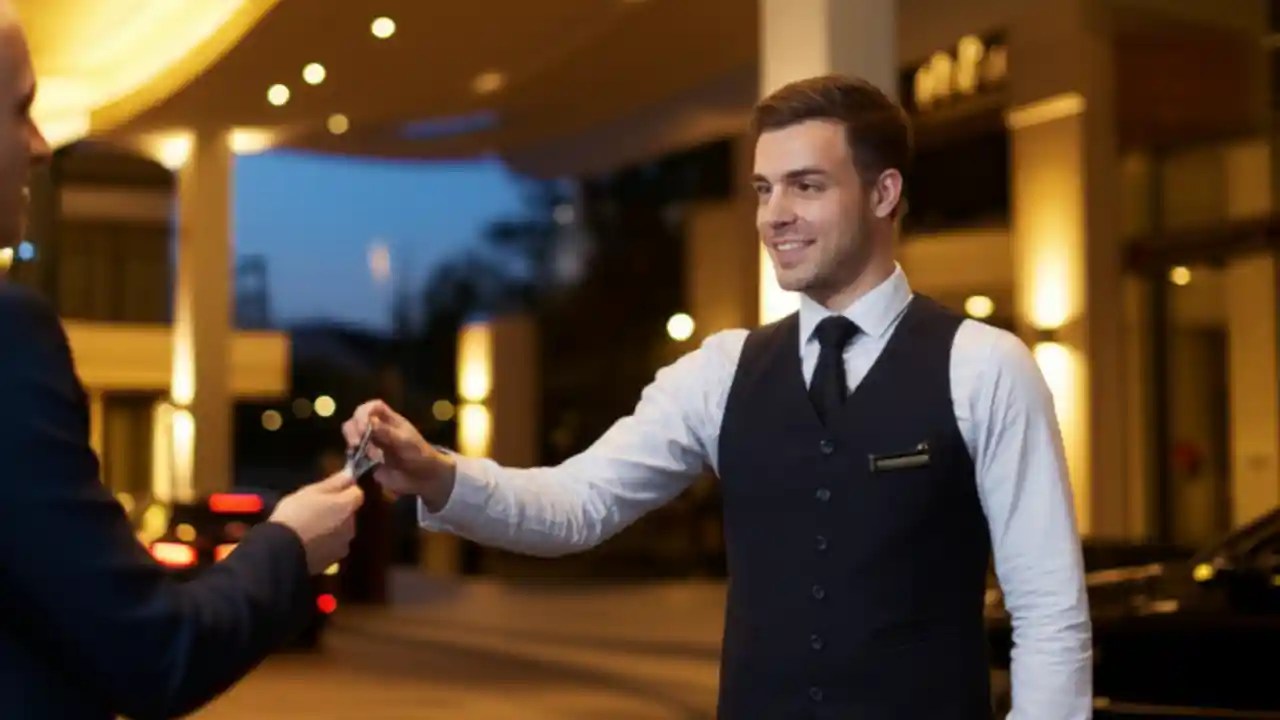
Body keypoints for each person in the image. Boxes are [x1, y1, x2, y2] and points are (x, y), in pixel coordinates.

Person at [346, 74, 1091, 718]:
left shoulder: (984, 366)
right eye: (764, 189)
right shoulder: (722, 370)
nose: (774, 215)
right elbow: (578, 505)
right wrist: (439, 475)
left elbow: (1051, 615)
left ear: (883, 192)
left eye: (807, 185)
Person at [0, 7, 365, 718]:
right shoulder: (8, 334)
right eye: (19, 111)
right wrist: (290, 544)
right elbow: (153, 655)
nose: (42, 145)